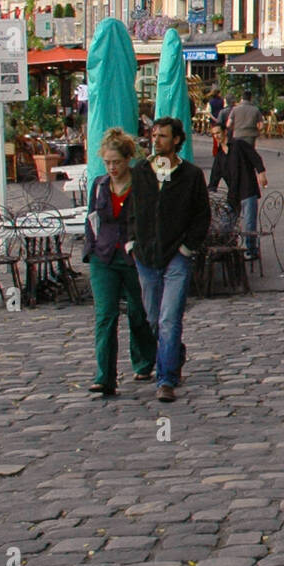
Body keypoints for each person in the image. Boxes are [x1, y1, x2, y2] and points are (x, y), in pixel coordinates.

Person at [125, 117, 210, 403]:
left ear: (176, 140)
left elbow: (201, 215)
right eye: (154, 135)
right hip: (146, 254)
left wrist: (187, 247)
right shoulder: (141, 172)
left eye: (162, 136)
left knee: (169, 318)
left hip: (177, 254)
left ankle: (166, 379)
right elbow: (131, 210)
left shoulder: (191, 175)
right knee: (153, 318)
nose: (156, 140)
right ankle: (176, 353)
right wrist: (131, 242)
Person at [83, 128, 156, 398]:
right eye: (108, 162)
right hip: (103, 257)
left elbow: (151, 217)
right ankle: (105, 376)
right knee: (105, 316)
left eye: (117, 162)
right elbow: (92, 218)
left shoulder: (140, 182)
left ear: (128, 160)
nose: (112, 167)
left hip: (134, 257)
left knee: (139, 313)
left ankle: (144, 360)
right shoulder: (100, 184)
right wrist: (90, 246)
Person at [208, 124, 267, 259]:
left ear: (225, 132)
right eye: (214, 134)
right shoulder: (220, 155)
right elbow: (214, 175)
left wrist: (261, 173)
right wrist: (210, 191)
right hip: (233, 194)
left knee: (249, 224)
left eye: (218, 132)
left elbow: (255, 157)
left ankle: (251, 251)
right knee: (225, 222)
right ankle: (226, 248)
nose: (216, 136)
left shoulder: (239, 145)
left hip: (247, 189)